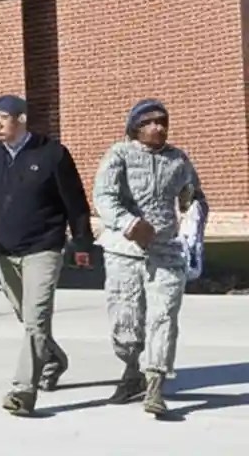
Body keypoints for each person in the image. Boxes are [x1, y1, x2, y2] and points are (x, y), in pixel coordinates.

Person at [0, 95, 93, 416]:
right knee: (28, 317)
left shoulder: (52, 154)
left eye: (2, 117)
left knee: (36, 317)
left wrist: (83, 243)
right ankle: (54, 358)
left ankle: (23, 390)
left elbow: (75, 203)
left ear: (21, 120)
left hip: (44, 248)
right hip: (5, 250)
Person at [92, 99, 206, 417]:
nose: (158, 127)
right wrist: (129, 224)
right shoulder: (119, 154)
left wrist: (192, 210)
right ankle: (132, 370)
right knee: (125, 324)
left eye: (163, 122)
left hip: (166, 252)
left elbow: (193, 196)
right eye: (150, 122)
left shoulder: (178, 159)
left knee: (163, 317)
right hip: (123, 251)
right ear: (136, 127)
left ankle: (155, 383)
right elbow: (103, 196)